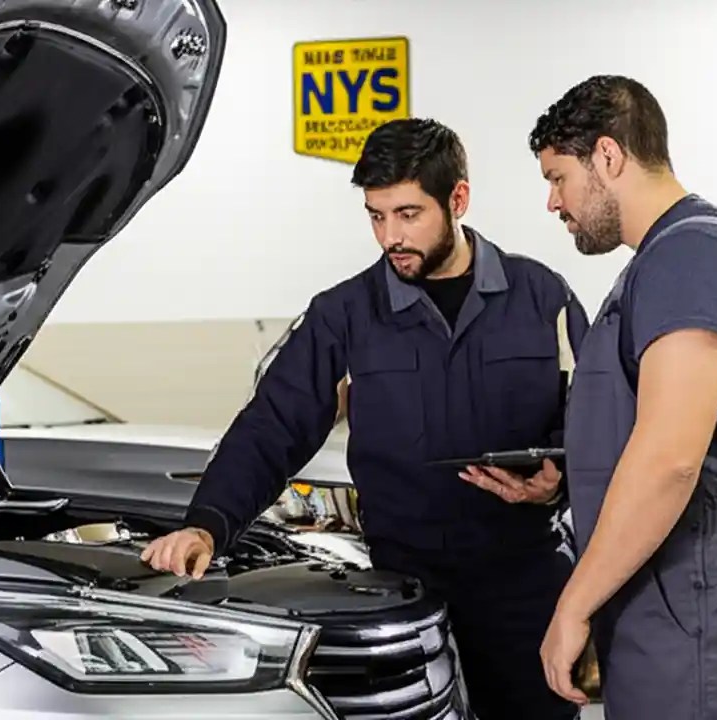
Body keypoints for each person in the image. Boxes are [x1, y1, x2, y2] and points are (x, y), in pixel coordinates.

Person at [140, 117, 588, 720]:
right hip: (403, 592)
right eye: (377, 216)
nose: (390, 237)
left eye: (408, 214)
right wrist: (208, 525)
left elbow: (592, 418)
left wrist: (559, 478)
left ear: (457, 198)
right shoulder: (344, 314)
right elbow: (274, 424)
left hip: (524, 586)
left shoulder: (541, 296)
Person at [521, 75, 717, 718]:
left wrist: (575, 604)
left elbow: (670, 459)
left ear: (607, 156)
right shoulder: (668, 256)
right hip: (679, 590)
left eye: (557, 177)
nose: (553, 202)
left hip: (706, 593)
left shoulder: (693, 255)